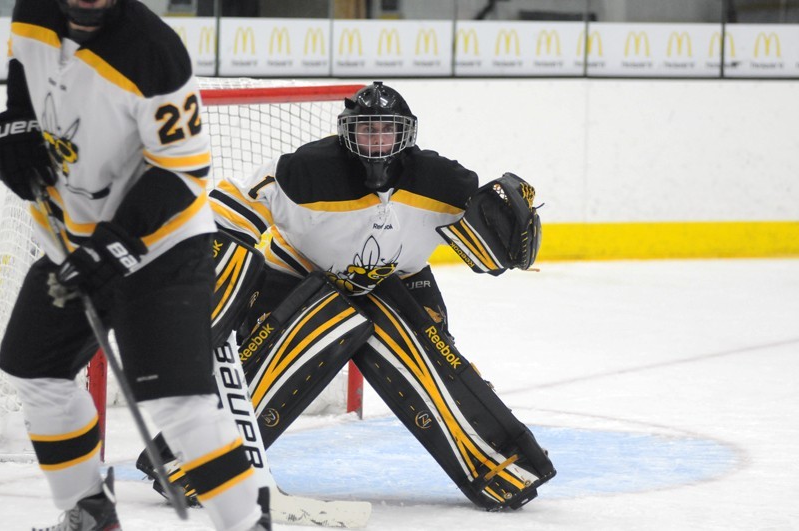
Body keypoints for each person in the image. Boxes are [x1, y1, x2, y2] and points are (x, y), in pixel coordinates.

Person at [143, 81, 554, 511]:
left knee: (434, 360)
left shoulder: (443, 181)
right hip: (296, 275)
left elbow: (486, 241)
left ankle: (500, 464)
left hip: (394, 282)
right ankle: (192, 461)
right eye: (366, 129)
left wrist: (509, 226)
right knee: (265, 363)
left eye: (386, 130)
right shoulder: (304, 171)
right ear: (347, 131)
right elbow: (231, 211)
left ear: (406, 134)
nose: (376, 139)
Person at [0, 1, 269, 530]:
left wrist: (114, 246)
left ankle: (247, 524)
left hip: (160, 246)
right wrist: (17, 124)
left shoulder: (155, 54)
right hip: (73, 239)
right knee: (33, 366)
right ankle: (88, 511)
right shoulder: (31, 13)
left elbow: (184, 172)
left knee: (177, 403)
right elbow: (22, 71)